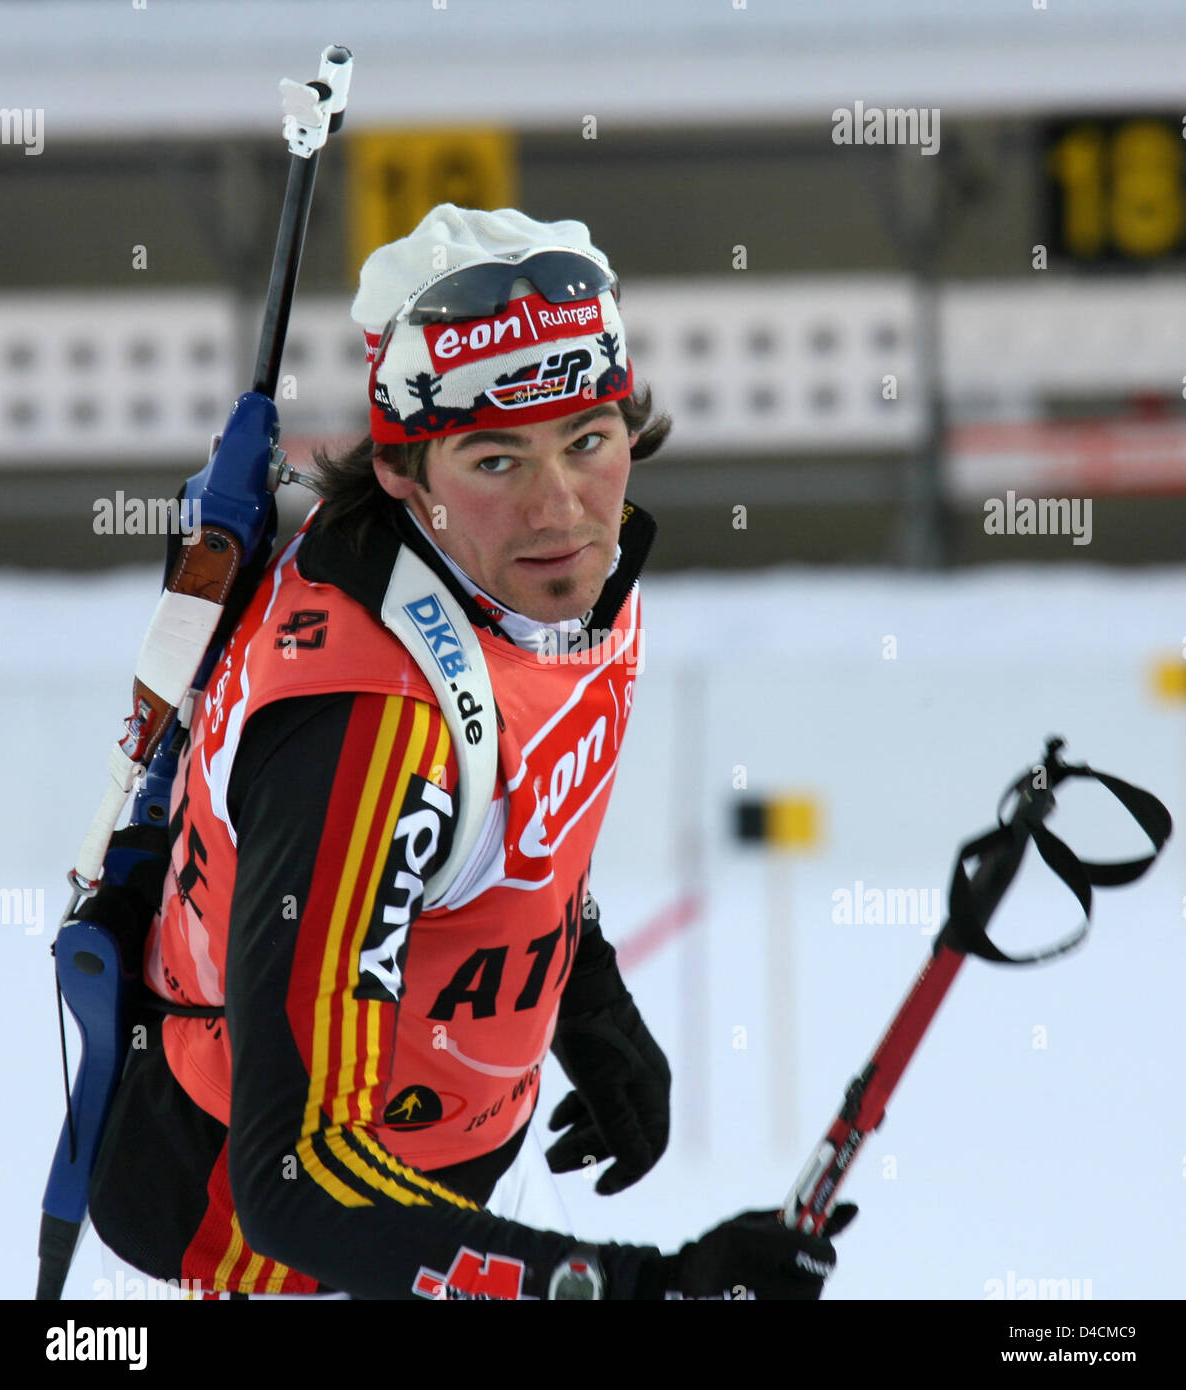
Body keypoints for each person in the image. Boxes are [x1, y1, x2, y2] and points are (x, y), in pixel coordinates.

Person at [87, 204, 851, 1300]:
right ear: (405, 471)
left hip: (422, 1194)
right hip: (267, 1253)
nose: (560, 508)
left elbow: (515, 812)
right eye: (496, 459)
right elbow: (295, 1172)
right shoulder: (370, 728)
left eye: (587, 443)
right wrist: (642, 1289)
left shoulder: (551, 588)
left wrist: (582, 998)